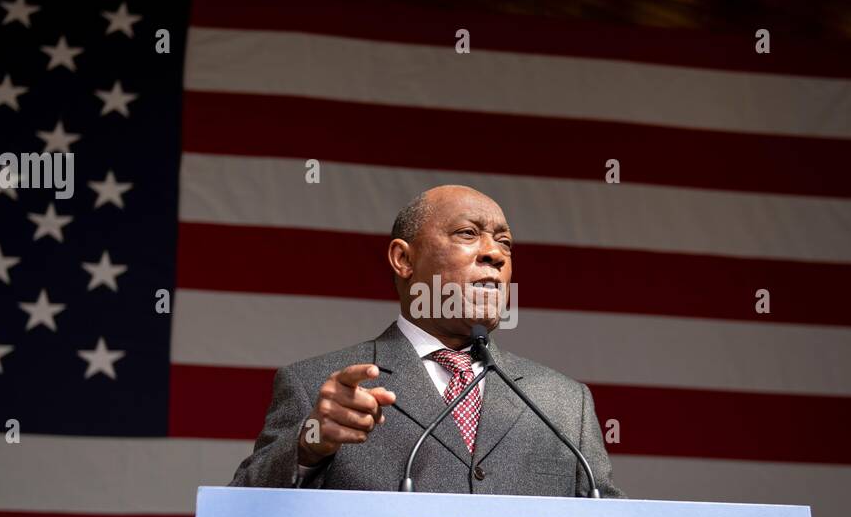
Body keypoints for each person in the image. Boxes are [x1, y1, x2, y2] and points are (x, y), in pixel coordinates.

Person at [229, 184, 625, 498]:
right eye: (468, 234)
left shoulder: (564, 403)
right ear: (404, 259)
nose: (495, 254)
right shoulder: (317, 386)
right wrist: (309, 444)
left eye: (504, 242)